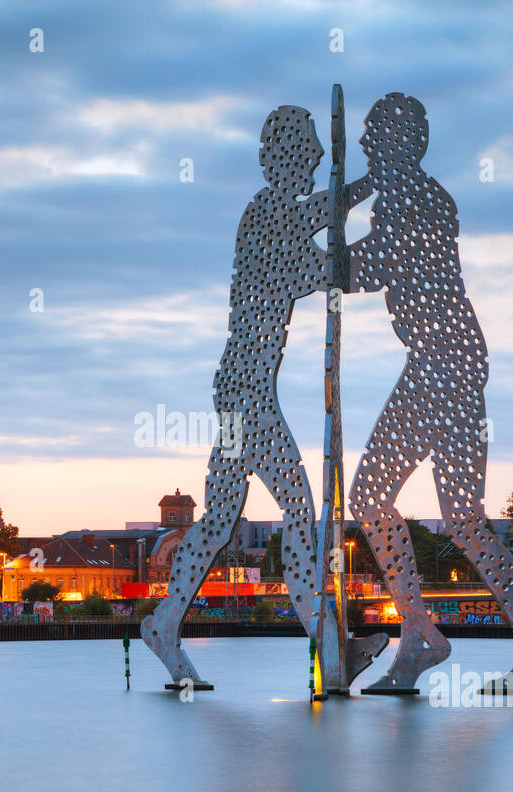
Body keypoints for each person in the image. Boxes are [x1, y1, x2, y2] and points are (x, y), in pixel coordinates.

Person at [347, 94, 513, 691]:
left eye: (373, 137)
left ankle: (421, 633)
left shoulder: (413, 199)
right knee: (464, 520)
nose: (364, 147)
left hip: (442, 364)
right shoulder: (411, 196)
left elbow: (361, 269)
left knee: (371, 498)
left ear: (398, 144)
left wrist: (306, 245)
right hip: (455, 361)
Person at [142, 106, 361, 686]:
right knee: (296, 514)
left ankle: (164, 624)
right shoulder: (263, 215)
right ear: (282, 158)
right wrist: (353, 256)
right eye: (307, 149)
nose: (316, 158)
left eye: (319, 149)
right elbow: (308, 266)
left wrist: (361, 187)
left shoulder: (278, 212)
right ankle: (330, 644)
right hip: (246, 396)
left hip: (243, 389)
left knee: (218, 521)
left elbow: (319, 215)